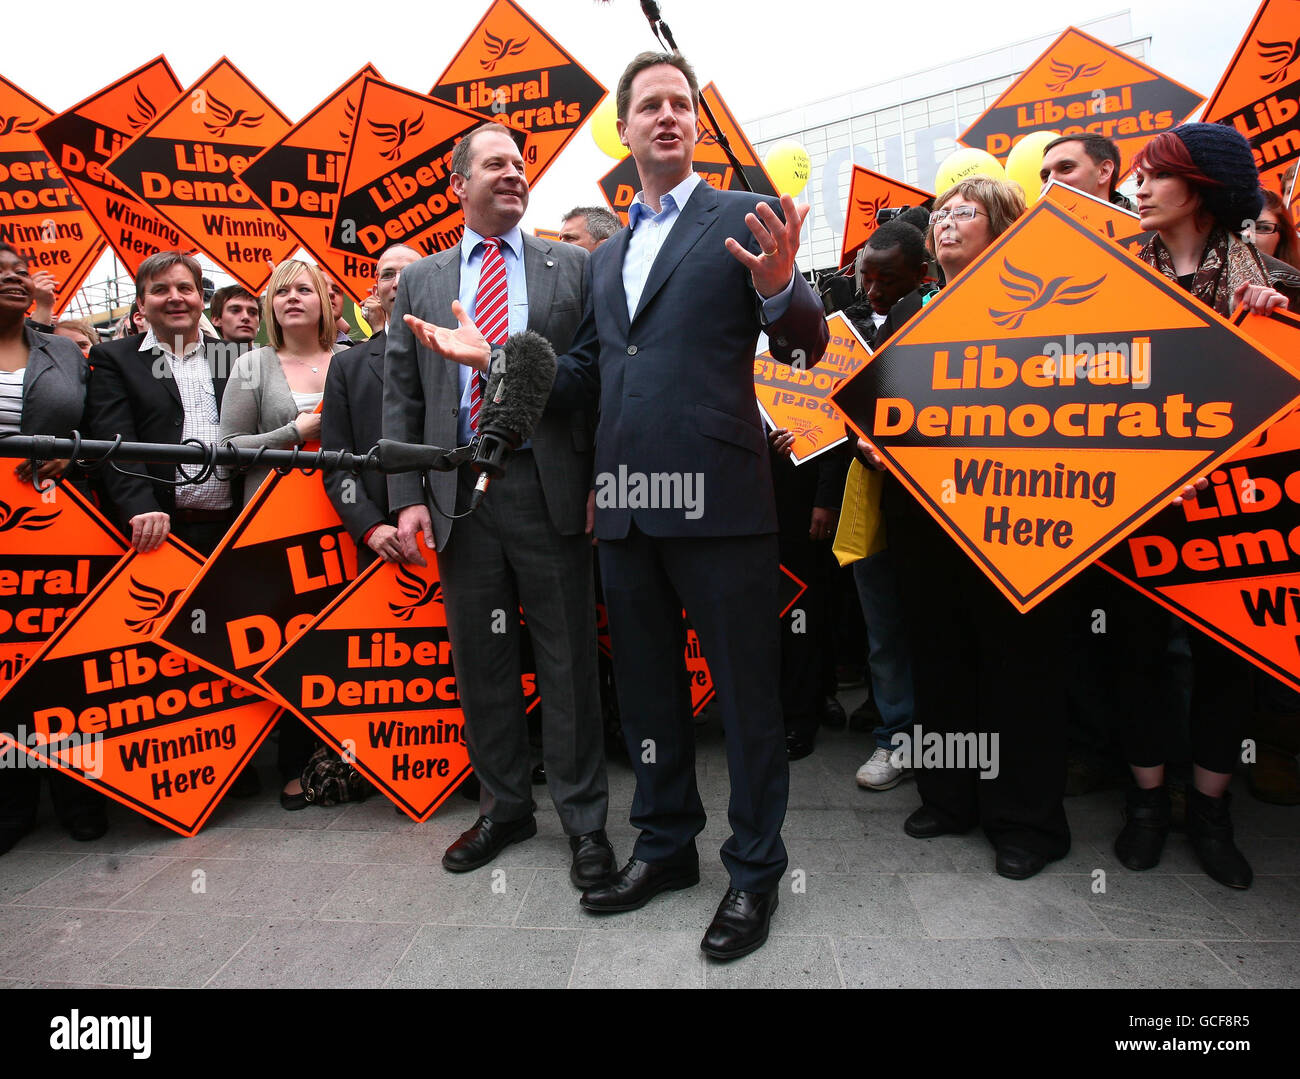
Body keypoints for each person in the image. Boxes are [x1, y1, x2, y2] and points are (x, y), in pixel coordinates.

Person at [410, 54, 828, 960]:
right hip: (626, 509)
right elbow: (592, 374)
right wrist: (499, 362)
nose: (668, 116)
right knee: (646, 697)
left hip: (721, 504)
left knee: (749, 700)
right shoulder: (604, 258)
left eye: (682, 104)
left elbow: (805, 342)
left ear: (694, 127)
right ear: (627, 131)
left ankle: (755, 871)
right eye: (651, 106)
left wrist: (780, 287)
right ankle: (667, 845)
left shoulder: (741, 217)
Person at [384, 123, 613, 890]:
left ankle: (585, 823)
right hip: (458, 498)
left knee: (568, 662)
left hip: (550, 487)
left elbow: (594, 384)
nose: (513, 173)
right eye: (495, 164)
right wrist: (407, 494)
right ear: (459, 184)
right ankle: (506, 805)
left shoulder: (573, 267)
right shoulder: (420, 280)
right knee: (482, 662)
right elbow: (402, 392)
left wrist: (593, 481)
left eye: (520, 163)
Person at [860, 177, 1075, 880]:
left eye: (967, 212)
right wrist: (874, 439)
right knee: (940, 659)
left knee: (1018, 667)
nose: (948, 221)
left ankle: (1026, 820)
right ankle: (950, 798)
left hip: (1016, 517)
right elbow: (885, 406)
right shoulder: (909, 311)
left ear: (1005, 225)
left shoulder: (1033, 305)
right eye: (943, 212)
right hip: (925, 518)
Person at [1112, 123, 1289, 890]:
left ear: (1203, 186)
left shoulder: (1275, 283)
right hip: (1135, 510)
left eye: (1156, 175)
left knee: (1227, 662)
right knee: (1138, 657)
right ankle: (1148, 805)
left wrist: (1280, 322)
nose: (1138, 188)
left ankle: (1211, 813)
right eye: (1138, 177)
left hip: (1239, 515)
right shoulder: (1110, 278)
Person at [0, 243, 110, 853]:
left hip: (56, 528)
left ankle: (78, 795)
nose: (17, 281)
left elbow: (94, 429)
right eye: (2, 275)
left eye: (22, 273)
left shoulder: (63, 350)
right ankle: (11, 804)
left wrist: (73, 455)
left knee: (61, 664)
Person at [843, 220, 930, 791]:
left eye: (888, 280)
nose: (872, 291)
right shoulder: (842, 325)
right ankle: (896, 738)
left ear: (921, 277)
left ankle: (944, 742)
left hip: (944, 505)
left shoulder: (947, 314)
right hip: (874, 494)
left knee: (933, 627)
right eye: (865, 279)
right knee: (884, 628)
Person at [86, 252, 236, 555]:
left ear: (200, 298)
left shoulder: (234, 356)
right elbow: (114, 439)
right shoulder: (115, 359)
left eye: (185, 288)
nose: (175, 298)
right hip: (151, 531)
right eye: (160, 290)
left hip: (234, 530)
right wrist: (139, 506)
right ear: (141, 304)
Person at [322, 244, 419, 566]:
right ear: (375, 288)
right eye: (387, 274)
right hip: (386, 546)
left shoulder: (465, 356)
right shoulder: (348, 367)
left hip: (464, 535)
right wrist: (369, 526)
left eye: (409, 272)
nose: (397, 282)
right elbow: (338, 460)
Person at [219, 259, 338, 506]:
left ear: (323, 301)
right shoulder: (250, 365)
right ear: (272, 305)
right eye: (282, 291)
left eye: (304, 290)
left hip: (345, 510)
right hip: (276, 516)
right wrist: (293, 433)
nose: (292, 297)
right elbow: (228, 450)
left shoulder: (350, 359)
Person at [1038, 133, 1133, 209]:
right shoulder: (1030, 231)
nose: (1050, 182)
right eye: (1045, 177)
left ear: (1104, 171)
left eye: (1066, 168)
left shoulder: (1142, 230)